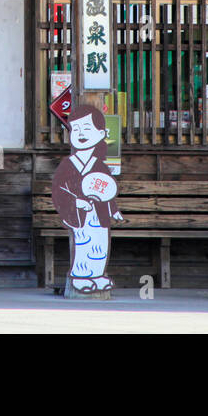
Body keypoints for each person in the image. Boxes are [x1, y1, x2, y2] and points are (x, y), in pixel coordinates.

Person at [51, 103, 124, 293]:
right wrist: (75, 202)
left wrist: (113, 209)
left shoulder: (99, 165)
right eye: (76, 129)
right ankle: (80, 276)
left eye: (87, 128)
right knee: (82, 244)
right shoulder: (68, 164)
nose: (81, 133)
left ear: (101, 134)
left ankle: (97, 275)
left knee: (100, 245)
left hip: (99, 215)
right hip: (80, 216)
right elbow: (59, 189)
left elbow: (107, 190)